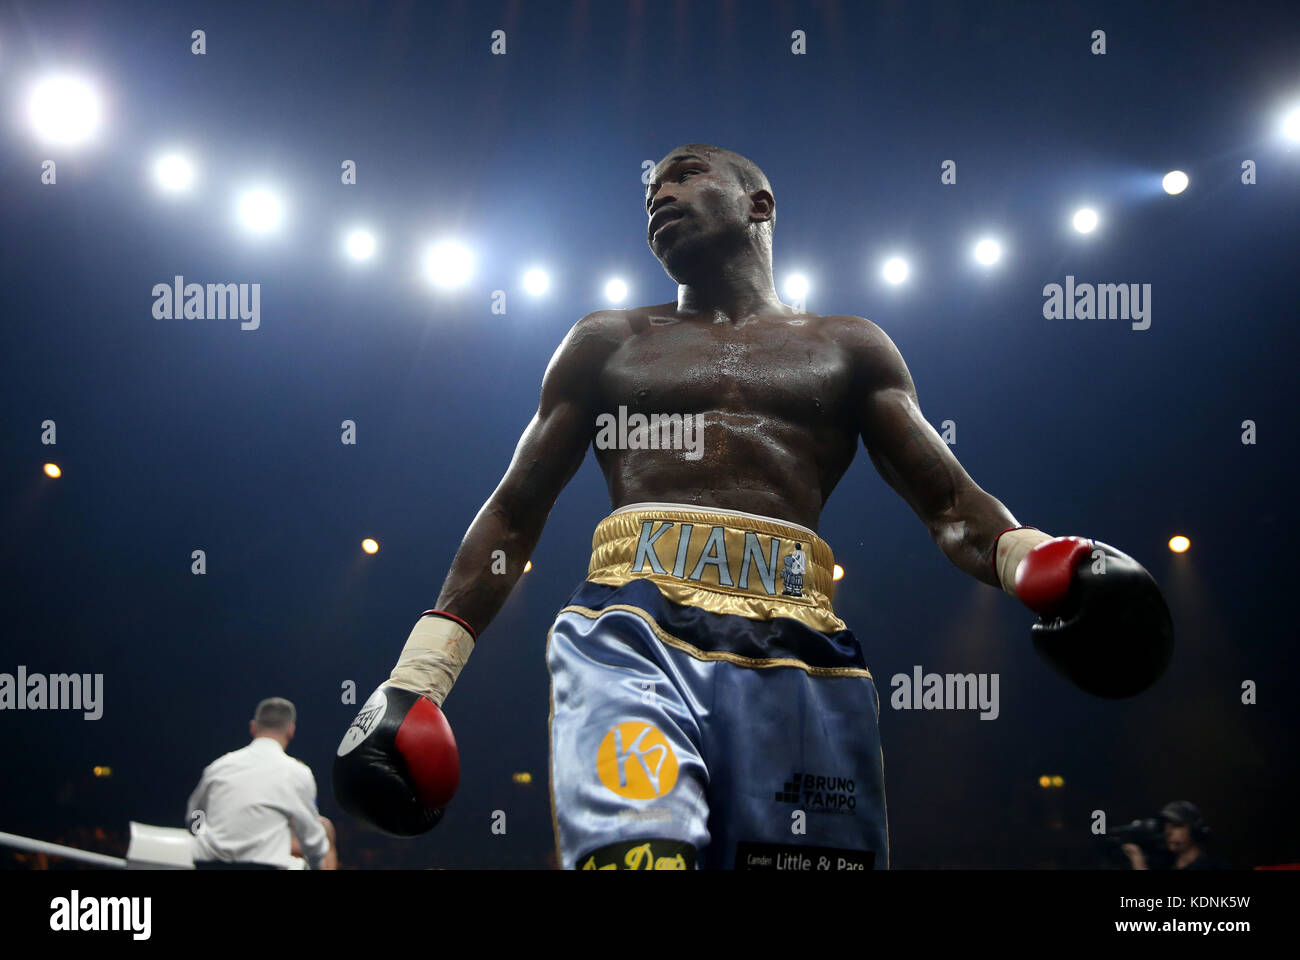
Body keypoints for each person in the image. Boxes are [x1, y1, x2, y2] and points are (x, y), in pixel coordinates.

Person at [333, 143, 1174, 869]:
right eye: (648, 190)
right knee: (638, 849)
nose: (657, 195)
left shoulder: (849, 346)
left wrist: (1039, 560)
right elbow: (514, 514)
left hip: (800, 646)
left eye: (682, 176)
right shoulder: (606, 343)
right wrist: (420, 678)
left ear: (758, 202)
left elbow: (950, 502)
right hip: (633, 626)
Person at [188, 697, 337, 869]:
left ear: (253, 727)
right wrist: (317, 864)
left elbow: (194, 817)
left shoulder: (219, 766)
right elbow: (312, 838)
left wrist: (213, 840)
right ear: (291, 730)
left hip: (208, 865)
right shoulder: (297, 773)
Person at [1124, 801, 1231, 870]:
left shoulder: (1215, 867)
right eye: (1166, 826)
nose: (1168, 831)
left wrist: (1139, 863)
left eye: (1177, 825)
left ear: (1194, 830)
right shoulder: (1163, 865)